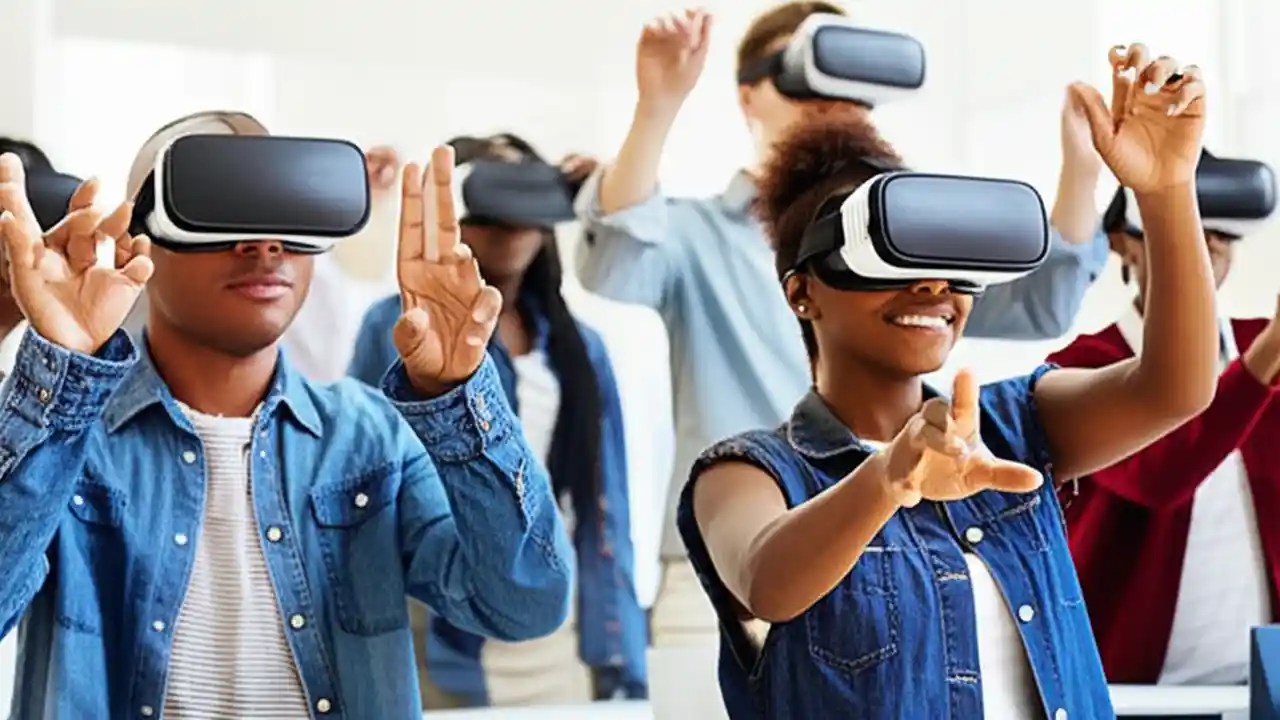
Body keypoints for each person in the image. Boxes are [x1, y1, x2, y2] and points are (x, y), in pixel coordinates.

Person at [677, 45, 1215, 718]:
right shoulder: (748, 472)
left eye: (942, 254)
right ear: (802, 292)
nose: (930, 284)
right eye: (890, 254)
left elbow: (1176, 389)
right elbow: (768, 580)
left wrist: (1166, 192)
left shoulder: (1013, 427)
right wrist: (887, 479)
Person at [573, 2, 1112, 645]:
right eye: (808, 77)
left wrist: (1084, 169)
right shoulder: (696, 234)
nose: (837, 102)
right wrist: (657, 105)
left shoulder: (907, 246)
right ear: (748, 96)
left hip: (891, 548)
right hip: (731, 562)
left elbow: (1038, 304)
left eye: (858, 87)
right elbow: (615, 261)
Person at [0, 116, 572, 718]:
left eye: (288, 212)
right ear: (137, 240)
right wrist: (62, 379)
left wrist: (457, 393)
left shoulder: (370, 441)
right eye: (221, 207)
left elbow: (525, 603)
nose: (265, 244)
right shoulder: (66, 439)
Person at [350, 134, 647, 707]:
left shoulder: (579, 349)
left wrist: (623, 649)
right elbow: (363, 475)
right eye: (491, 208)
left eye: (530, 210)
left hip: (557, 618)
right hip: (441, 614)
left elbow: (605, 502)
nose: (511, 229)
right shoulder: (396, 330)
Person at [1048, 166, 1280, 687]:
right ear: (1123, 244)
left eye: (1222, 233)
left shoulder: (1259, 345)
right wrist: (1263, 361)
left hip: (1266, 681)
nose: (1210, 246)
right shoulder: (1081, 366)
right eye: (1189, 229)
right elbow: (1158, 477)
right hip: (1133, 688)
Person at [118, 113, 366, 383]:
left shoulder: (376, 424)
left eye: (285, 213)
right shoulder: (74, 419)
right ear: (131, 245)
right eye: (214, 212)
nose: (265, 245)